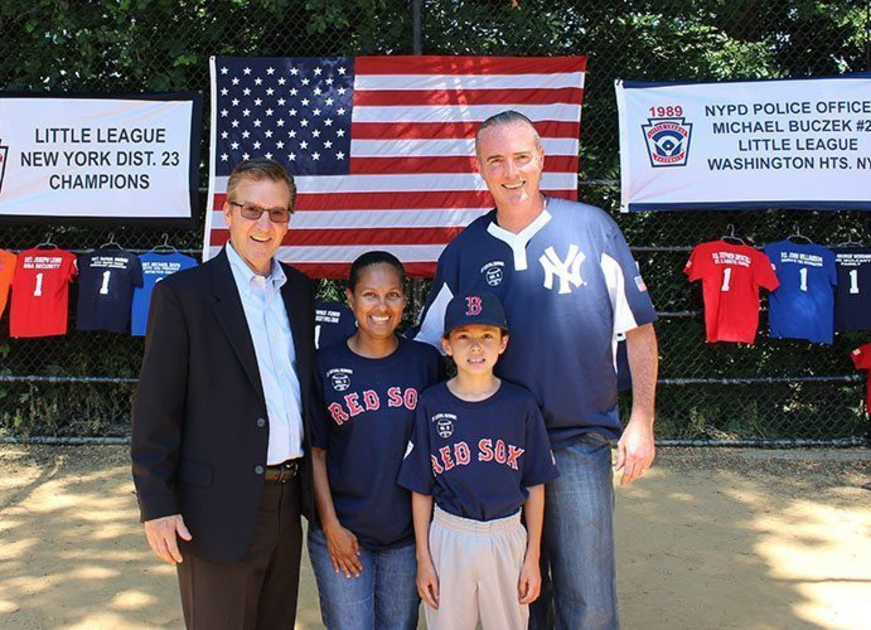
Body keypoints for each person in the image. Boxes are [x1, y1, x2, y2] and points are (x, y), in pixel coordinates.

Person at [415, 111, 659, 630]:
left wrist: (642, 421)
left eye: (521, 157)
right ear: (480, 168)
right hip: (494, 448)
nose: (511, 171)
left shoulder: (592, 229)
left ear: (542, 158)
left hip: (576, 439)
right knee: (520, 596)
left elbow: (639, 328)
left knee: (587, 596)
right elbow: (425, 348)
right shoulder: (464, 252)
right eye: (496, 160)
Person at [131, 158, 317, 630]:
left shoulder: (298, 291)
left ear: (288, 221)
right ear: (227, 211)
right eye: (251, 210)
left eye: (277, 213)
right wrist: (157, 505)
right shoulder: (184, 295)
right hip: (216, 507)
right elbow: (156, 407)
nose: (264, 224)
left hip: (287, 499)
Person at [398, 291, 558, 630]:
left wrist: (532, 557)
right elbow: (421, 489)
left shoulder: (521, 404)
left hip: (507, 535)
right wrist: (424, 559)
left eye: (487, 336)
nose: (475, 347)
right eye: (464, 337)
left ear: (503, 343)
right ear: (446, 344)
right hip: (449, 534)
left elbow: (536, 484)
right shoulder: (431, 404)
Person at [308, 251, 444, 630]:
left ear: (405, 299)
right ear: (349, 298)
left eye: (393, 295)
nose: (381, 306)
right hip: (344, 533)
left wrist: (426, 540)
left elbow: (435, 453)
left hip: (405, 536)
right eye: (370, 295)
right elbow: (316, 454)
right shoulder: (324, 364)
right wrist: (331, 527)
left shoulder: (425, 362)